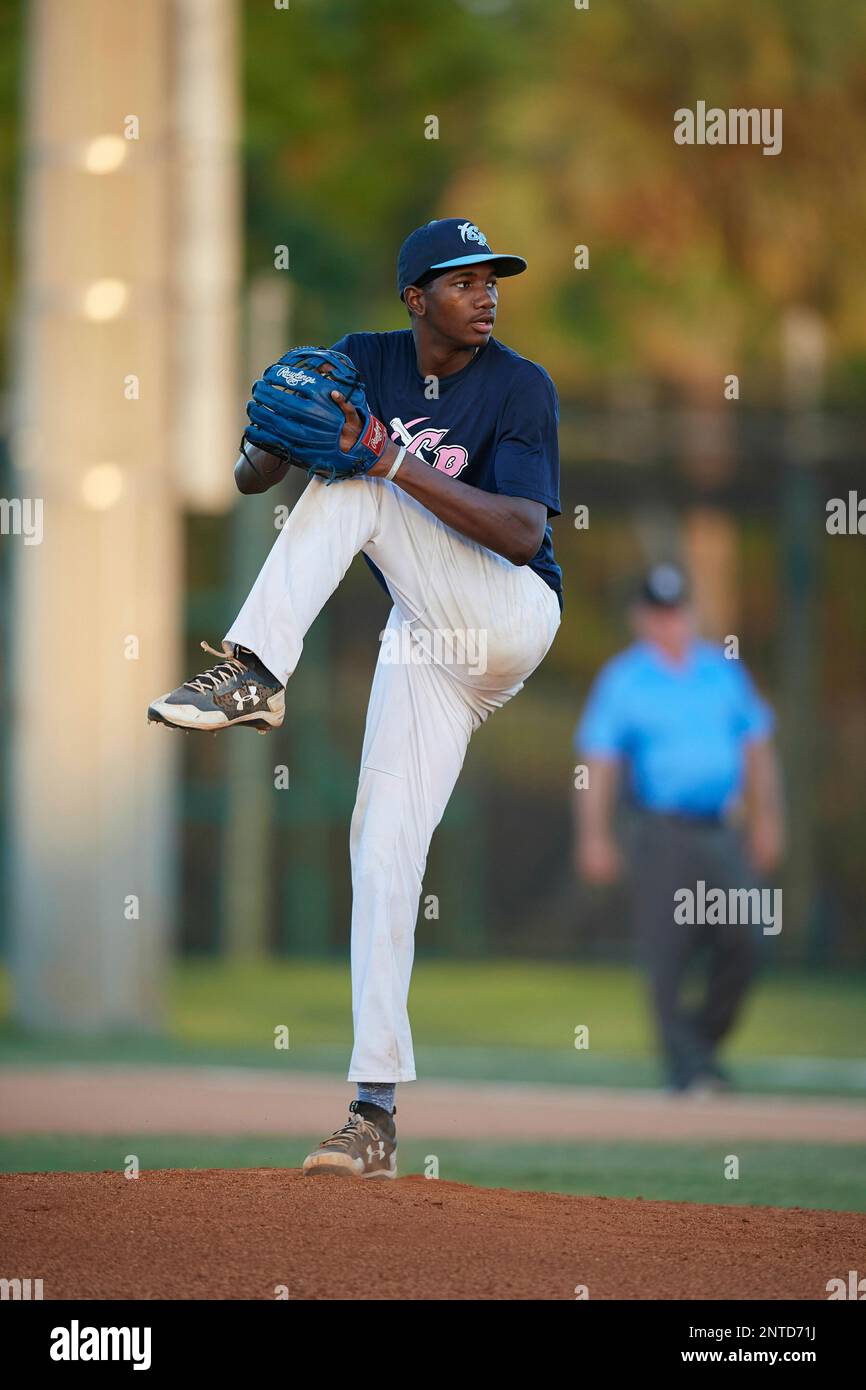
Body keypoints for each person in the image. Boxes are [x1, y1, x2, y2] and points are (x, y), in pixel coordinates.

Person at [148, 218, 563, 1175]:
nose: (487, 293)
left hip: (506, 615)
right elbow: (258, 480)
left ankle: (254, 668)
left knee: (371, 483)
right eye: (462, 281)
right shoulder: (366, 361)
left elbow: (514, 533)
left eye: (493, 277)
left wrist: (386, 457)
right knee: (381, 849)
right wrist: (266, 433)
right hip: (422, 637)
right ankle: (372, 1114)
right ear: (415, 298)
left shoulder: (520, 386)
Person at [573, 563, 784, 1094]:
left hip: (719, 829)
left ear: (689, 613)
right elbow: (599, 763)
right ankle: (688, 1069)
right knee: (667, 950)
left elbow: (757, 750)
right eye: (658, 612)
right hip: (659, 831)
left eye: (677, 611)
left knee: (748, 939)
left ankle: (699, 1042)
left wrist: (768, 820)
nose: (669, 622)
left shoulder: (722, 670)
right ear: (641, 618)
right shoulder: (624, 677)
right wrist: (593, 835)